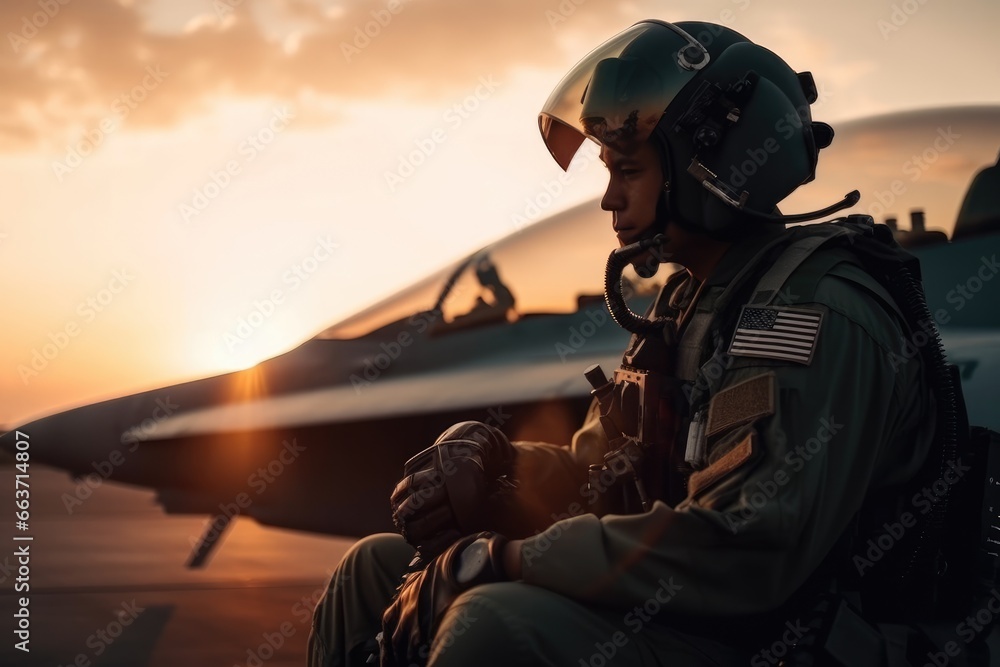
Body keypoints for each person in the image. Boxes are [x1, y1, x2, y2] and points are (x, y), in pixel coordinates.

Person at [308, 20, 950, 666]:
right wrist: (503, 468)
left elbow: (745, 550)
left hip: (786, 636)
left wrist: (503, 557)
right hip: (701, 617)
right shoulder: (687, 304)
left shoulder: (816, 311)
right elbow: (605, 474)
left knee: (495, 620)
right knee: (374, 570)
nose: (609, 198)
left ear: (714, 168)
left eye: (629, 169)